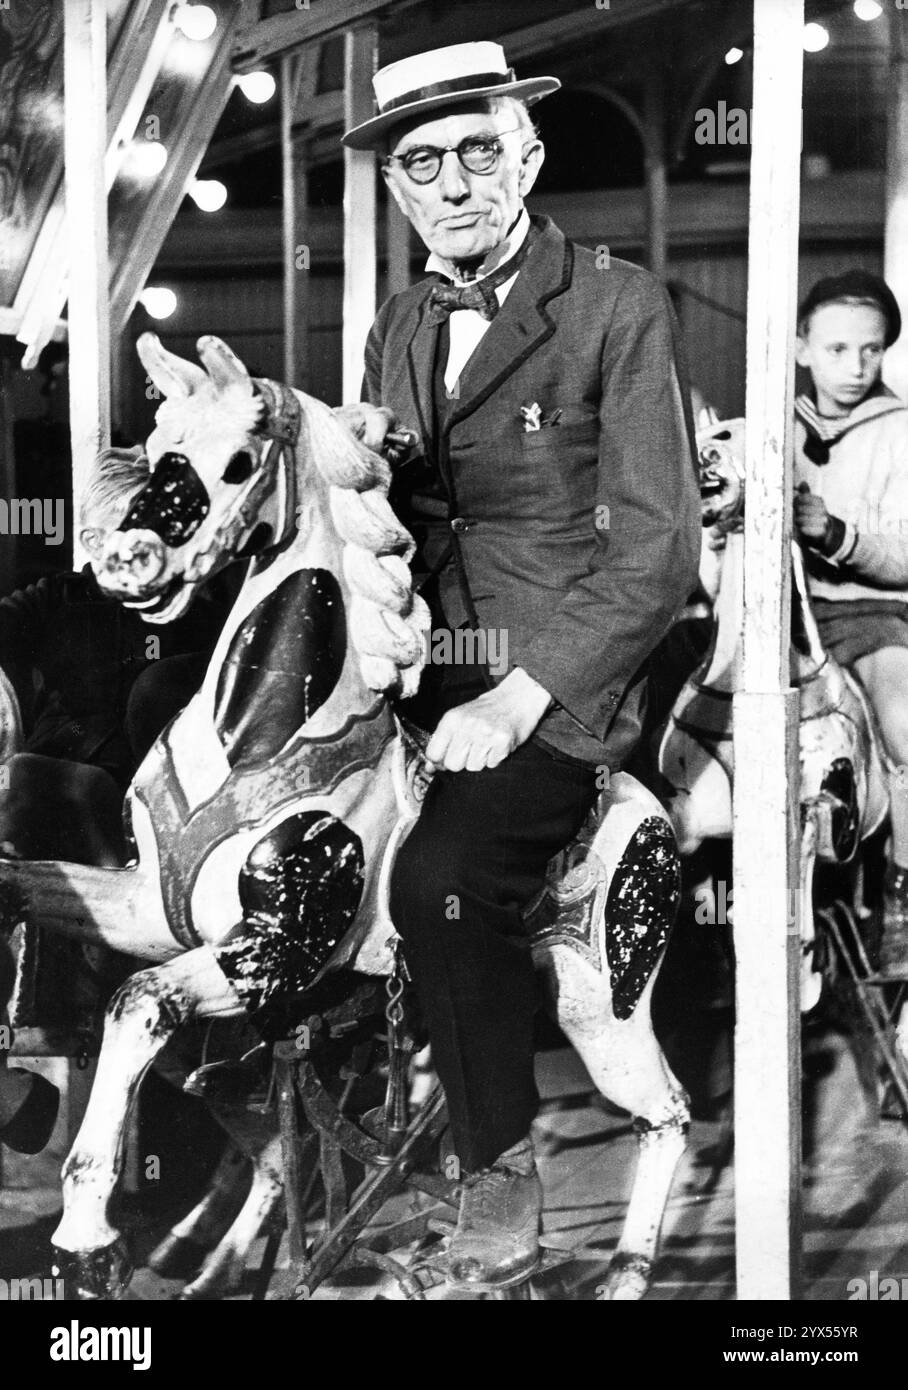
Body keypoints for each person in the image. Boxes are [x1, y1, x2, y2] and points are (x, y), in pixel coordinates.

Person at [337, 42, 700, 1288]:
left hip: (557, 677)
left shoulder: (614, 299)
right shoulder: (397, 319)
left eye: (477, 151)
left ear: (529, 158)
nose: (450, 183)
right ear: (395, 189)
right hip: (418, 664)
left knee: (442, 874)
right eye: (420, 162)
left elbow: (654, 550)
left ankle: (498, 1167)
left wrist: (517, 690)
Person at [792, 269, 908, 968]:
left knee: (904, 727)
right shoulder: (776, 421)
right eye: (836, 350)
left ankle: (900, 892)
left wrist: (836, 535)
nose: (855, 367)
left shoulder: (899, 430)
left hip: (869, 615)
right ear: (802, 348)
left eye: (869, 351)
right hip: (783, 617)